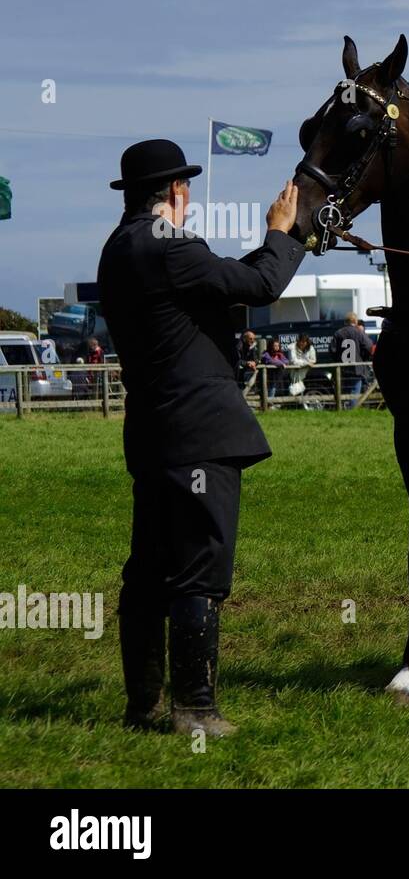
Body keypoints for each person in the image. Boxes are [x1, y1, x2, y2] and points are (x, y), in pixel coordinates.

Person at [97, 138, 306, 737]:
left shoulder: (118, 249)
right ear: (178, 193)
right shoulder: (173, 246)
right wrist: (282, 233)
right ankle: (196, 710)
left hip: (153, 433)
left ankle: (144, 706)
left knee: (147, 573)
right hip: (200, 434)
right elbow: (261, 284)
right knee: (198, 569)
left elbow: (214, 285)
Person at [331, 312, 374, 409]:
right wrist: (363, 357)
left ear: (346, 322)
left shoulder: (338, 333)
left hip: (343, 369)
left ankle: (343, 411)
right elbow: (369, 346)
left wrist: (338, 359)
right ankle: (352, 412)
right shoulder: (359, 332)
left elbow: (332, 350)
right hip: (356, 369)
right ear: (355, 321)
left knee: (343, 392)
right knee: (354, 393)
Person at [287, 332, 316, 402]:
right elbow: (294, 361)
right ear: (298, 340)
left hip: (306, 373)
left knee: (303, 390)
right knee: (293, 390)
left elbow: (313, 360)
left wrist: (303, 363)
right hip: (294, 374)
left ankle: (302, 404)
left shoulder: (311, 348)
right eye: (301, 341)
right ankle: (290, 405)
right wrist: (306, 363)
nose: (302, 343)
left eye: (304, 342)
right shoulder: (291, 347)